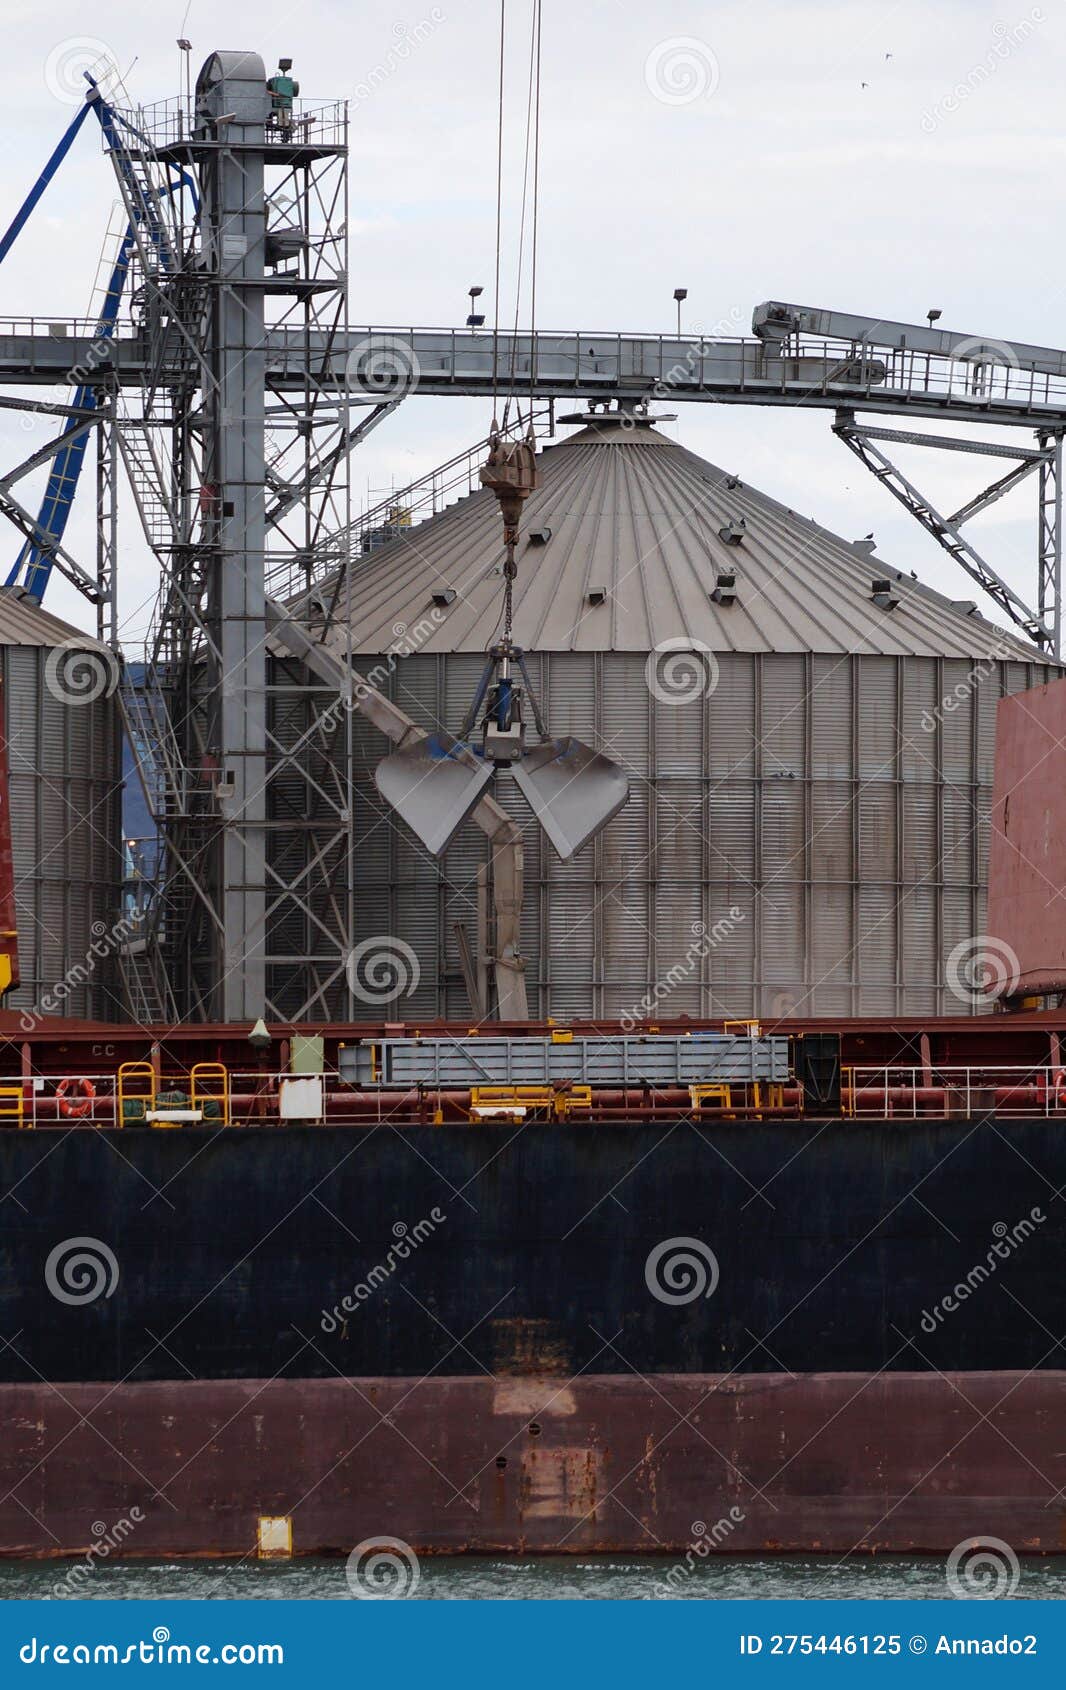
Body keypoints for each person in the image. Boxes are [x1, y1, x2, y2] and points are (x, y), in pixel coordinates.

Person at [266, 59, 299, 140]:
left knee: (284, 121)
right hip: (282, 104)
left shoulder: (273, 87)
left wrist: (275, 94)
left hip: (281, 104)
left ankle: (286, 131)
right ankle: (286, 132)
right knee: (284, 121)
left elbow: (271, 92)